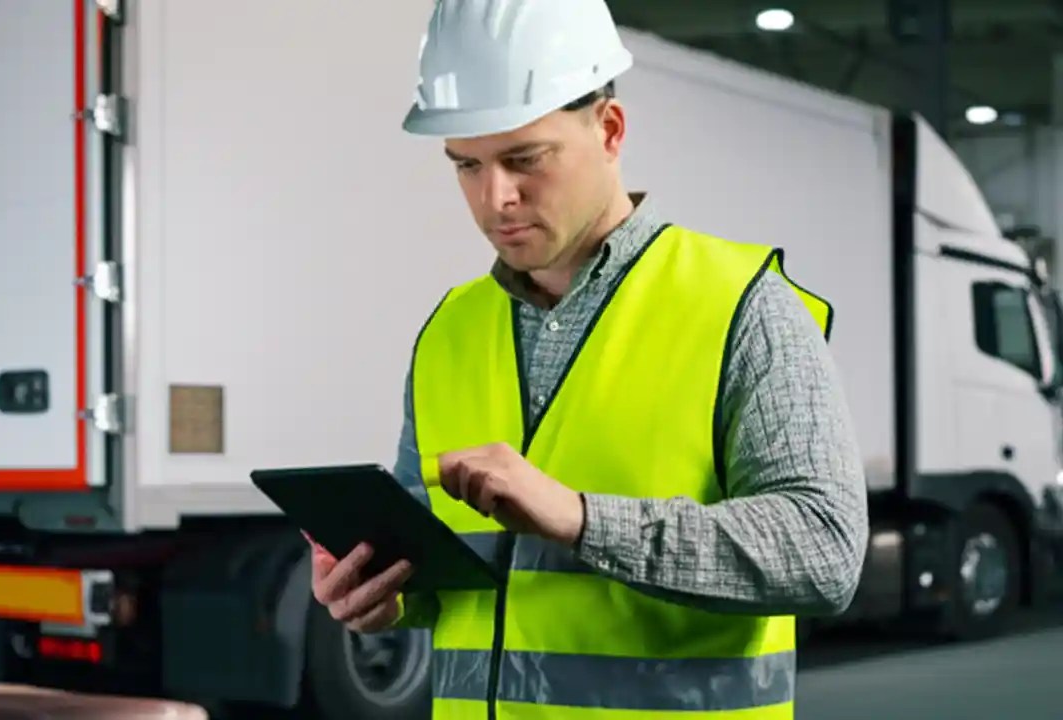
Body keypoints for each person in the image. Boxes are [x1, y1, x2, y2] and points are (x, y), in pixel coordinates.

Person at [307, 0, 869, 717]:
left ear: (609, 130)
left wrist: (580, 518)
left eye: (524, 160)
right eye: (466, 166)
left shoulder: (741, 305)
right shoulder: (452, 328)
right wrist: (383, 598)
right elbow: (461, 578)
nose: (495, 199)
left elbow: (823, 554)